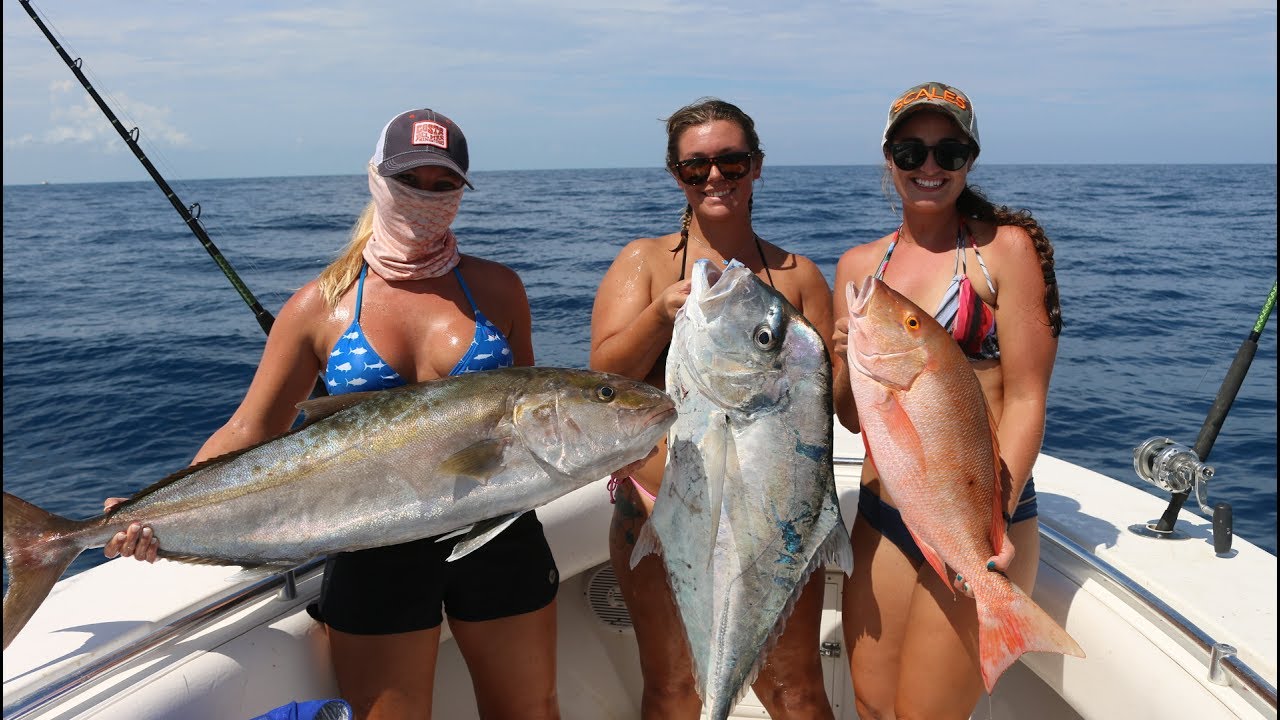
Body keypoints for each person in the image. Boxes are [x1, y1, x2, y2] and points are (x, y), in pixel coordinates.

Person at [104, 108, 561, 720]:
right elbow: (251, 428)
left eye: (443, 184)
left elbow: (533, 404)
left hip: (499, 530)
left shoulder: (500, 289)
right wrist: (154, 509)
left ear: (462, 191)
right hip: (373, 545)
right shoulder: (318, 308)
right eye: (410, 181)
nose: (426, 198)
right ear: (376, 178)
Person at [589, 98, 838, 720]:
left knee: (797, 690)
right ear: (677, 175)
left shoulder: (798, 276)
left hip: (771, 516)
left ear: (756, 166)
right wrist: (658, 316)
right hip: (653, 511)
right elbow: (601, 381)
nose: (715, 177)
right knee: (674, 690)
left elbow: (827, 411)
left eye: (731, 161)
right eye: (696, 166)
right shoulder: (644, 264)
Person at [831, 81, 1062, 719]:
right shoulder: (857, 268)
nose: (928, 168)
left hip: (979, 516)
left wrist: (992, 520)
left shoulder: (1003, 252)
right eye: (911, 152)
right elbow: (853, 418)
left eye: (948, 152)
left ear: (970, 158)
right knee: (874, 709)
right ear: (888, 159)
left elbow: (1026, 400)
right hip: (883, 519)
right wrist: (838, 360)